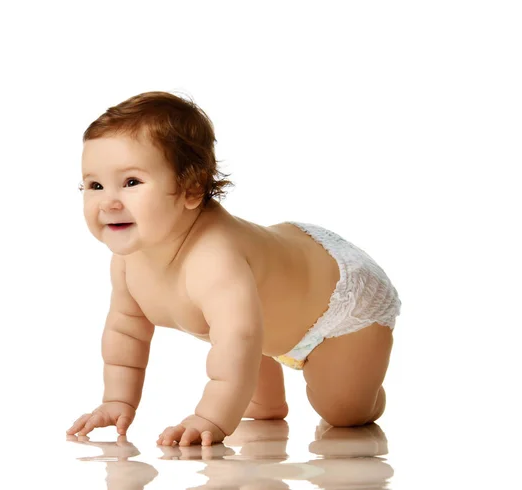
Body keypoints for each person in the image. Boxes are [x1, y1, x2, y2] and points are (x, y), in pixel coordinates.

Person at [66, 91, 402, 446]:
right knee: (247, 366)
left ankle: (366, 380)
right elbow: (126, 334)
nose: (108, 201)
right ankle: (268, 400)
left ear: (191, 190)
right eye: (94, 185)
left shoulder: (215, 258)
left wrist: (211, 417)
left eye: (131, 182)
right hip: (269, 306)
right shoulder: (128, 260)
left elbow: (238, 341)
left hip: (336, 301)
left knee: (342, 411)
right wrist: (117, 401)